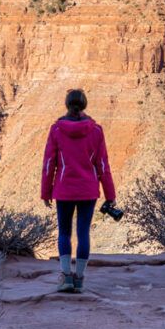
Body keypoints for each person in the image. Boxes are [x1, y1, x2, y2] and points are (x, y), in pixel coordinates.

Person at [40, 88, 116, 293]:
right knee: (83, 233)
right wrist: (111, 195)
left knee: (64, 232)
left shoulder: (56, 130)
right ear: (84, 105)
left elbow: (49, 163)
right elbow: (102, 165)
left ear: (67, 104)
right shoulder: (96, 130)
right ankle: (80, 279)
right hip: (88, 190)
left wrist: (46, 192)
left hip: (64, 189)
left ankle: (66, 277)